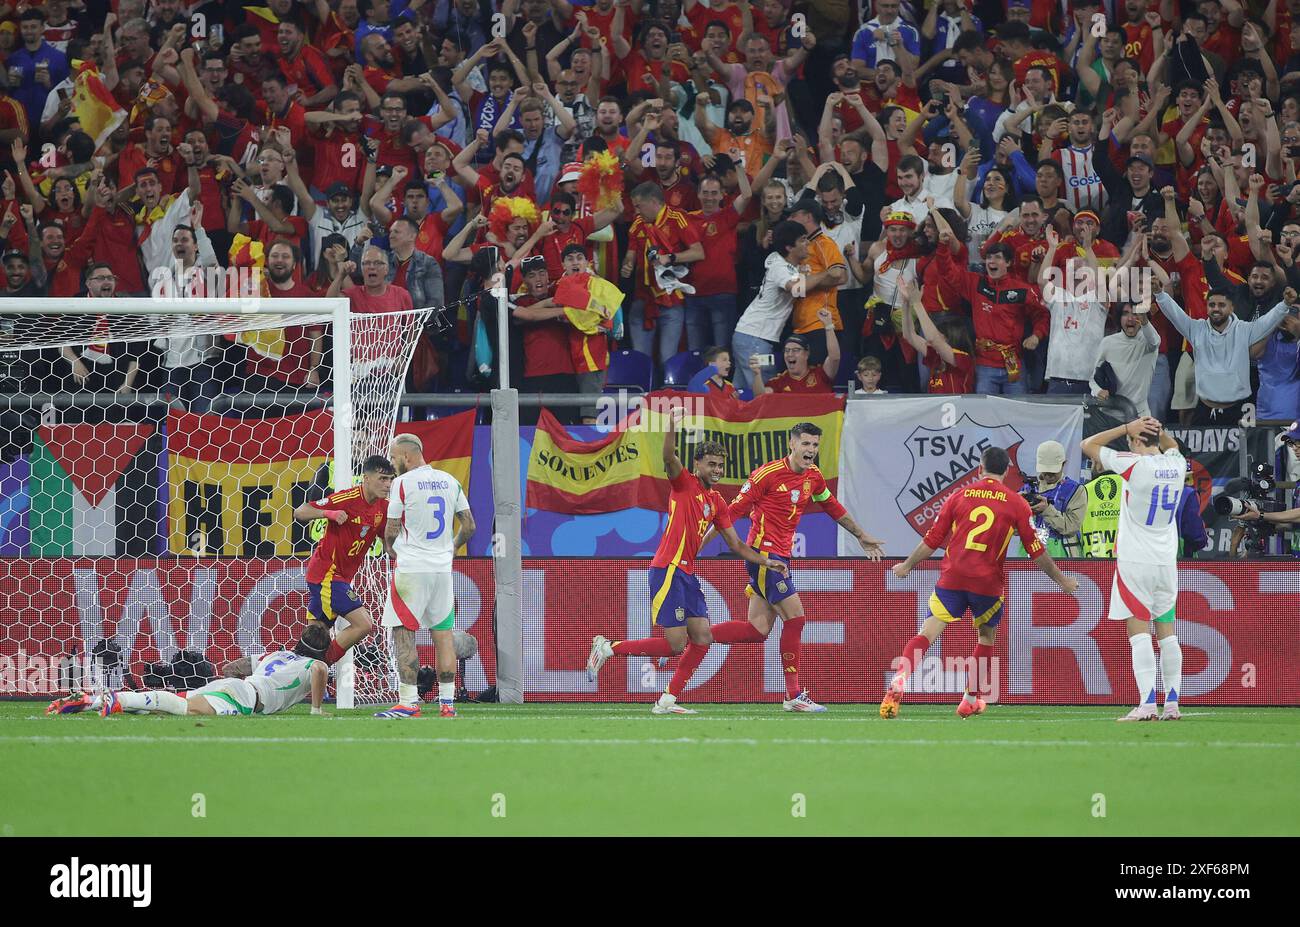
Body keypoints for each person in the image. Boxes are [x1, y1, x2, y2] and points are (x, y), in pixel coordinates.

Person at [586, 406, 787, 714]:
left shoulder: (717, 501)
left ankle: (667, 700)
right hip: (667, 569)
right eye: (711, 464)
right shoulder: (684, 483)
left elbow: (734, 543)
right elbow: (668, 457)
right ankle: (609, 647)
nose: (717, 469)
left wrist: (765, 561)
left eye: (721, 465)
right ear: (697, 465)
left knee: (703, 637)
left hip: (688, 575)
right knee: (675, 645)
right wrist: (671, 426)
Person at [881, 446, 1079, 719]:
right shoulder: (1016, 503)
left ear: (979, 469)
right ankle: (969, 699)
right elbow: (1036, 551)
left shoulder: (958, 496)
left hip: (953, 577)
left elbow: (933, 539)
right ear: (1007, 472)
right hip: (987, 584)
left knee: (927, 632)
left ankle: (901, 677)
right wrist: (1062, 580)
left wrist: (907, 566)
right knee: (986, 637)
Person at [698, 423, 884, 712]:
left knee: (757, 630)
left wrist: (861, 535)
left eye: (815, 445)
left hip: (781, 557)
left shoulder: (814, 477)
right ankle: (793, 694)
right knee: (796, 619)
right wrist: (698, 545)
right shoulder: (767, 475)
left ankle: (693, 637)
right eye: (806, 444)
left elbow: (831, 506)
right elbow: (729, 514)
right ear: (792, 444)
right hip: (763, 556)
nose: (810, 450)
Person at [1081, 416, 1188, 721]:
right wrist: (1157, 429)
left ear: (1138, 441)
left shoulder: (1135, 465)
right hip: (1166, 561)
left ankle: (1146, 703)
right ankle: (1173, 703)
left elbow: (1088, 445)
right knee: (1167, 631)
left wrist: (1128, 427)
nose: (1129, 442)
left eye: (1131, 439)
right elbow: (1172, 445)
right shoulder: (1177, 463)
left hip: (1135, 560)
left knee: (1138, 630)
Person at [375, 433, 475, 719]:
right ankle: (447, 704)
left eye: (394, 458)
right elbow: (469, 526)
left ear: (407, 456)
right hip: (442, 571)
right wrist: (452, 548)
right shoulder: (450, 481)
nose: (392, 464)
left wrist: (390, 550)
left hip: (411, 570)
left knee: (403, 633)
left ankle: (408, 702)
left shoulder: (402, 484)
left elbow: (392, 528)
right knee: (443, 635)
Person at [88, 624, 330, 717]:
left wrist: (228, 687)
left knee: (162, 710)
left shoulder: (276, 655)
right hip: (247, 697)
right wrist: (316, 710)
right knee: (184, 709)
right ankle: (117, 700)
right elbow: (319, 668)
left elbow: (230, 667)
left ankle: (92, 701)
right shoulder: (313, 665)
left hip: (232, 687)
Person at [291, 455, 396, 669]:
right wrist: (328, 512)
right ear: (366, 478)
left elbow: (387, 543)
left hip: (340, 577)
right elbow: (300, 511)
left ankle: (286, 669)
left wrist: (397, 548)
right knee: (363, 624)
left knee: (312, 640)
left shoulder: (384, 508)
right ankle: (322, 665)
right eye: (382, 479)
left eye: (390, 479)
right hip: (327, 574)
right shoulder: (346, 499)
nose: (387, 484)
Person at [1152, 278, 1293, 425]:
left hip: (1238, 410)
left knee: (1244, 448)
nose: (1216, 309)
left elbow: (1267, 321)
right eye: (1212, 305)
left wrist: (1285, 304)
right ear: (1207, 308)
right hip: (1204, 410)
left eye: (1221, 305)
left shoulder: (1244, 330)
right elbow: (1175, 314)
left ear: (1231, 307)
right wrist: (1159, 294)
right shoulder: (1195, 329)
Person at [731, 220, 808, 394]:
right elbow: (797, 288)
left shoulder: (782, 263)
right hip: (755, 339)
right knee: (765, 391)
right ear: (789, 247)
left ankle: (735, 421)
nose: (807, 244)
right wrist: (826, 274)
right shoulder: (780, 268)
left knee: (741, 392)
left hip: (749, 335)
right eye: (803, 240)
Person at [1030, 440, 1087, 558]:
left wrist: (1046, 510)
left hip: (1063, 555)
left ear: (1064, 464)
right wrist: (1018, 509)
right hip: (1029, 554)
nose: (1049, 475)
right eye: (1046, 471)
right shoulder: (1029, 488)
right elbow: (1014, 531)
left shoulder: (1075, 490)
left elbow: (1071, 527)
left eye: (1053, 471)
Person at [761, 311, 841, 393]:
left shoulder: (820, 374)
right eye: (787, 350)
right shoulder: (779, 381)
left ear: (806, 354)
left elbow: (834, 358)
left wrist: (828, 325)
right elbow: (761, 397)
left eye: (796, 350)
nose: (790, 354)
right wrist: (756, 374)